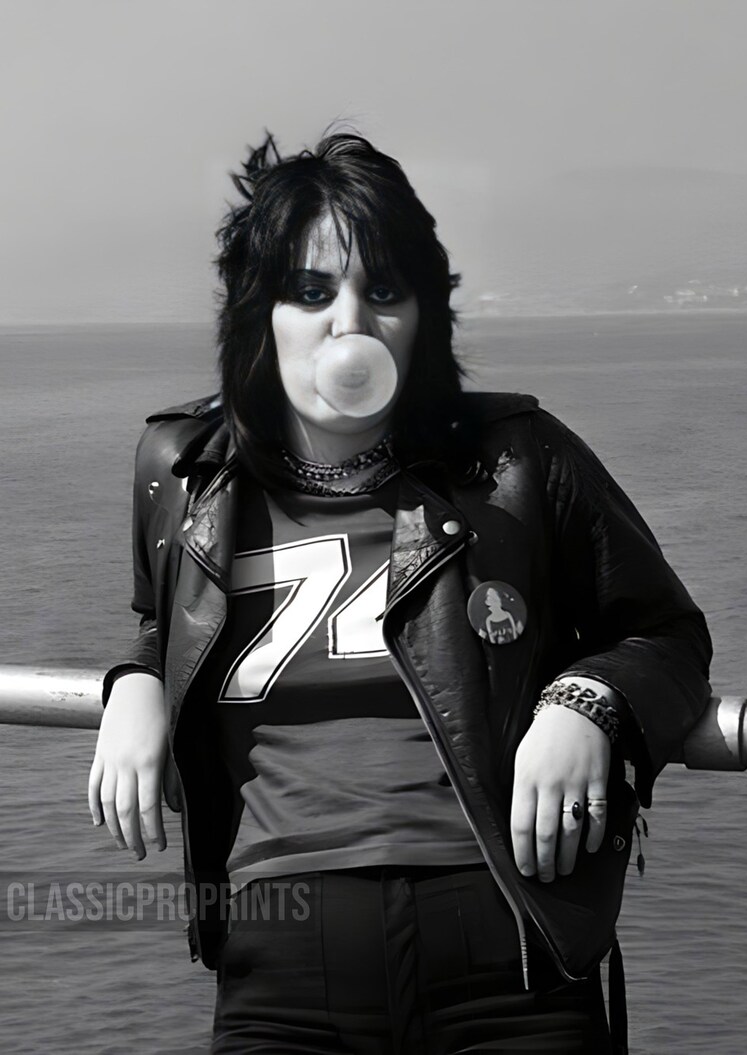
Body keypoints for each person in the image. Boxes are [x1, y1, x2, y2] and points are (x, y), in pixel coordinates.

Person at [88, 130, 712, 1054]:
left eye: (384, 292)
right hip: (282, 954)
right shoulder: (181, 475)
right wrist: (134, 682)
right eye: (311, 291)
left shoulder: (517, 463)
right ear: (260, 312)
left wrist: (589, 701)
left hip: (509, 945)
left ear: (424, 316)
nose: (351, 324)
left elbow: (665, 632)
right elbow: (167, 619)